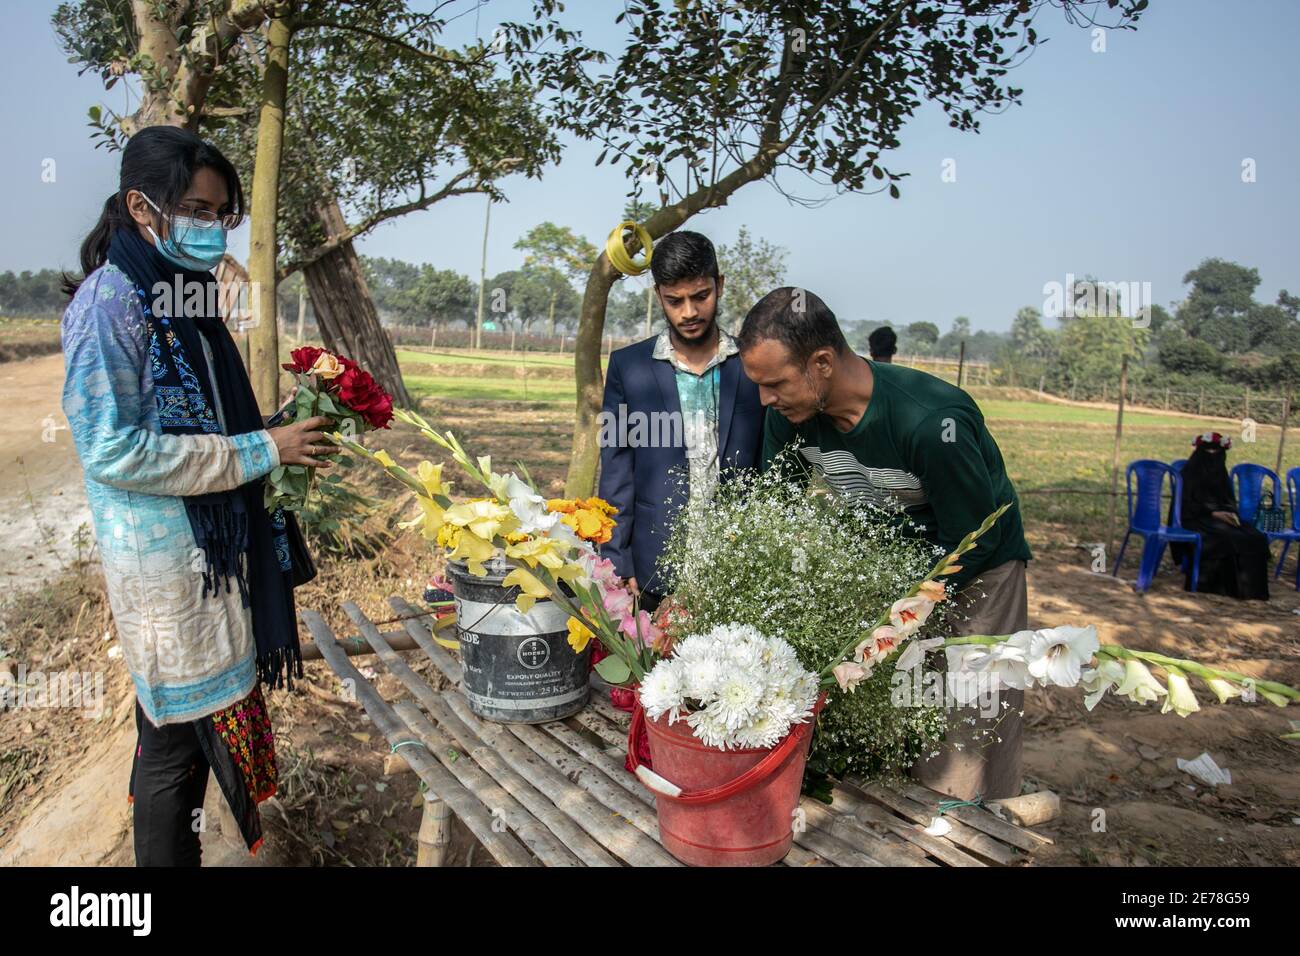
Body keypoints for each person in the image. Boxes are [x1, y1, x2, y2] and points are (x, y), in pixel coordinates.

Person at [60, 126, 332, 865]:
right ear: (140, 207)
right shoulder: (109, 305)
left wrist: (277, 435)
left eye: (220, 213)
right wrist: (259, 449)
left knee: (173, 731)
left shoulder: (183, 298)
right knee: (174, 744)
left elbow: (210, 418)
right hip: (167, 570)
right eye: (198, 210)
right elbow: (112, 448)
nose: (212, 229)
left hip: (210, 557)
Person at [738, 287, 1032, 801]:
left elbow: (970, 540)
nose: (765, 399)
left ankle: (974, 832)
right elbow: (775, 511)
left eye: (776, 383)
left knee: (969, 724)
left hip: (980, 570)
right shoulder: (787, 417)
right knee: (897, 710)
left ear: (823, 362)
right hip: (892, 566)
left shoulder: (930, 422)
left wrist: (894, 614)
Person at [598, 231, 765, 612]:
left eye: (700, 296)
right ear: (659, 296)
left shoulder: (753, 364)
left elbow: (771, 462)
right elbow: (616, 467)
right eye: (675, 301)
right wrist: (617, 561)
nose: (689, 312)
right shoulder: (627, 367)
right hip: (653, 567)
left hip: (739, 566)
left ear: (719, 286)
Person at [1169, 433, 1270, 600]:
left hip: (1221, 519)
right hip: (1195, 519)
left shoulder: (1220, 474)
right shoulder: (1189, 474)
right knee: (1226, 538)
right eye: (1207, 452)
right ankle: (1220, 587)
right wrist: (1213, 513)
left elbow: (1228, 499)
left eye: (1216, 453)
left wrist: (1230, 513)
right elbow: (1185, 506)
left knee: (1255, 537)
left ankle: (1251, 590)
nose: (1212, 457)